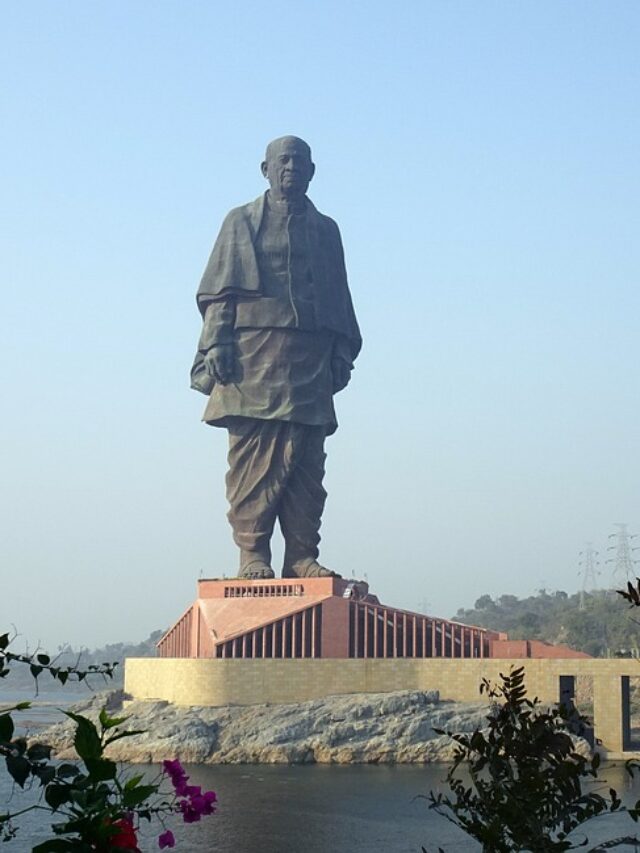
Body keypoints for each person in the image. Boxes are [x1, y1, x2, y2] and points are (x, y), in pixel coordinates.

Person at [191, 136, 361, 579]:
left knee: (307, 460)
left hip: (309, 358)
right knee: (253, 458)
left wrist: (341, 351)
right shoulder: (240, 222)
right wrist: (216, 344)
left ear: (312, 171)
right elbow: (220, 293)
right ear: (264, 169)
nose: (291, 167)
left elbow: (339, 298)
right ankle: (253, 554)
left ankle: (302, 554)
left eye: (300, 161)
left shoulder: (326, 231)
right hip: (254, 357)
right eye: (283, 160)